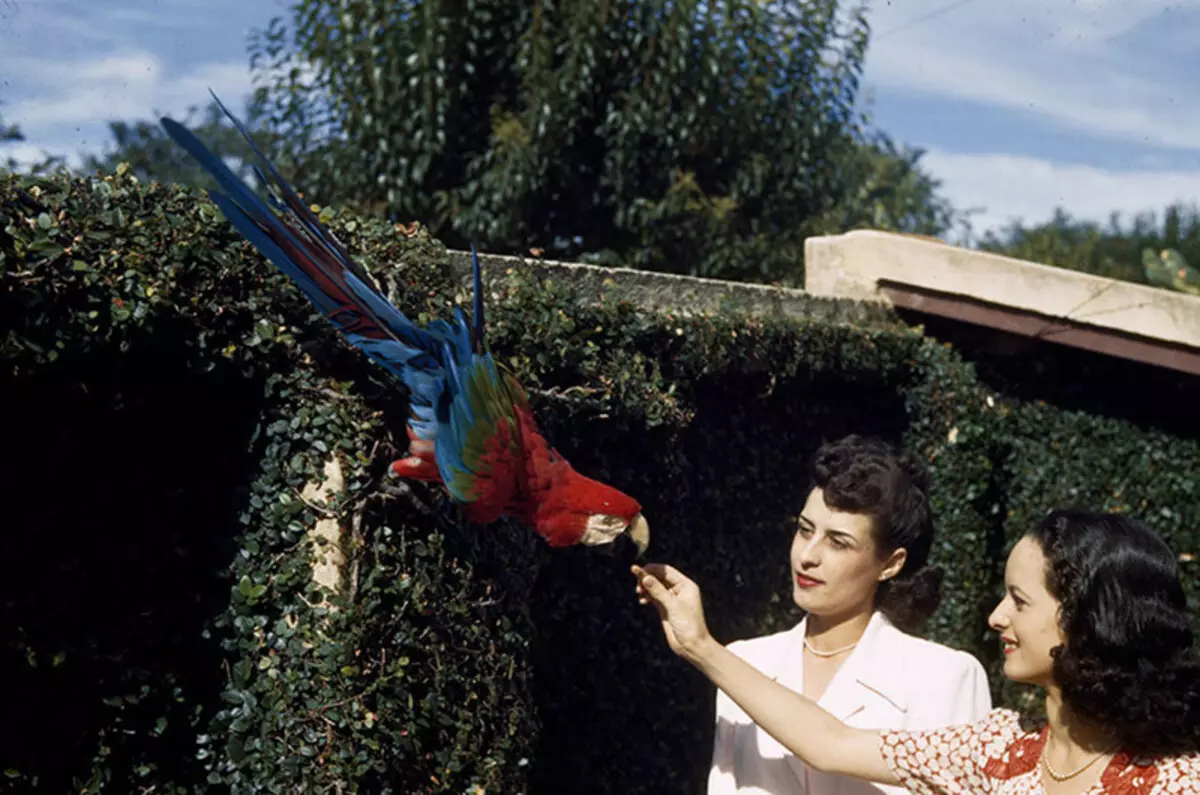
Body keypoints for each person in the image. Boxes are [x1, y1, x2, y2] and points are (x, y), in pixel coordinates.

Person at [634, 509, 1200, 794]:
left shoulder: (1179, 781)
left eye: (1019, 601)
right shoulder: (996, 749)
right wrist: (700, 646)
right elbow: (831, 743)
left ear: (1086, 622)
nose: (996, 616)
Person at [706, 435, 991, 795]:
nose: (808, 555)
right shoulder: (745, 661)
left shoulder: (945, 677)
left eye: (838, 542)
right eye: (804, 530)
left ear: (890, 564)